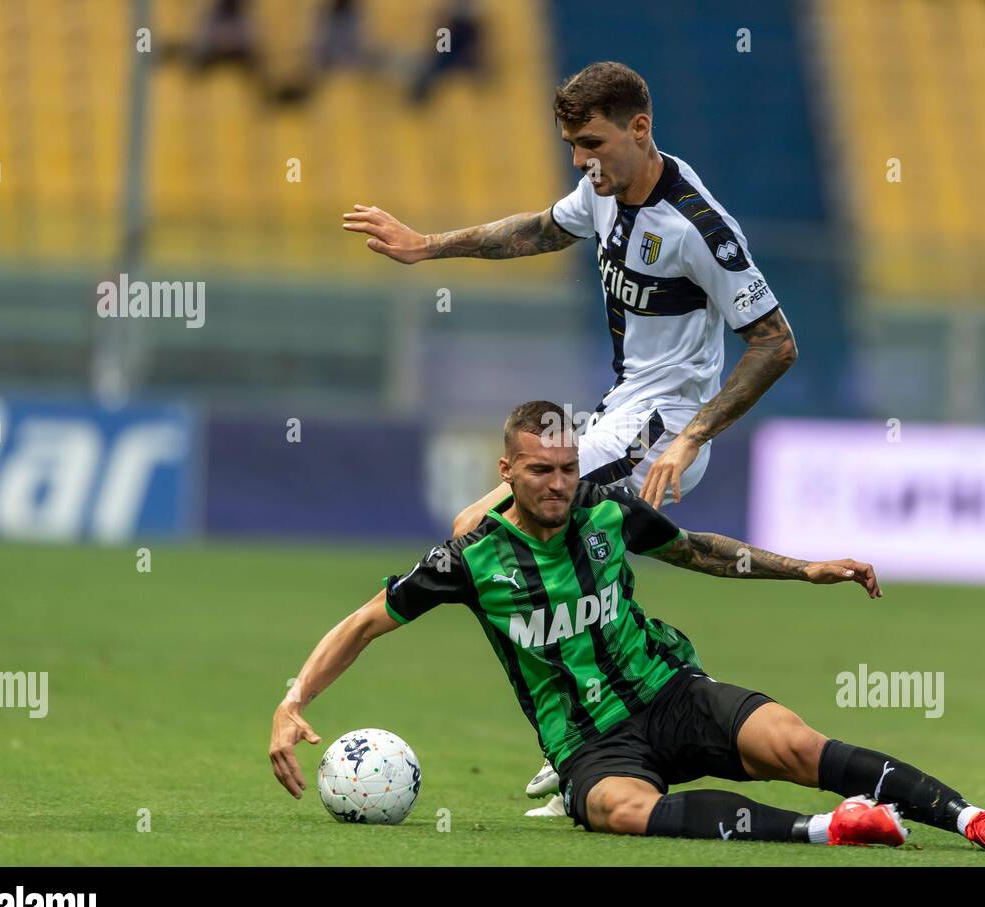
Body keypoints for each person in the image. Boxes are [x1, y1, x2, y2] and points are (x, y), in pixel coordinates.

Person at [268, 401, 985, 852]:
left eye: (567, 468)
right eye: (541, 470)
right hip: (589, 743)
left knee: (795, 742)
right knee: (615, 811)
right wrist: (295, 697)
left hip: (669, 691)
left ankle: (974, 820)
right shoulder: (470, 559)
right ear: (507, 471)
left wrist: (804, 569)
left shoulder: (607, 511)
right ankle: (830, 830)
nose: (560, 483)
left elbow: (698, 551)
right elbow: (366, 623)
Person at [342, 62, 799, 806]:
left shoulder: (698, 230)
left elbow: (777, 343)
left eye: (592, 144)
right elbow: (539, 230)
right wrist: (427, 246)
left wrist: (690, 436)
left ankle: (587, 736)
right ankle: (642, 709)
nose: (582, 162)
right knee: (575, 559)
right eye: (572, 148)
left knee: (475, 525)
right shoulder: (604, 190)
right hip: (616, 414)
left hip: (659, 430)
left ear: (639, 128)